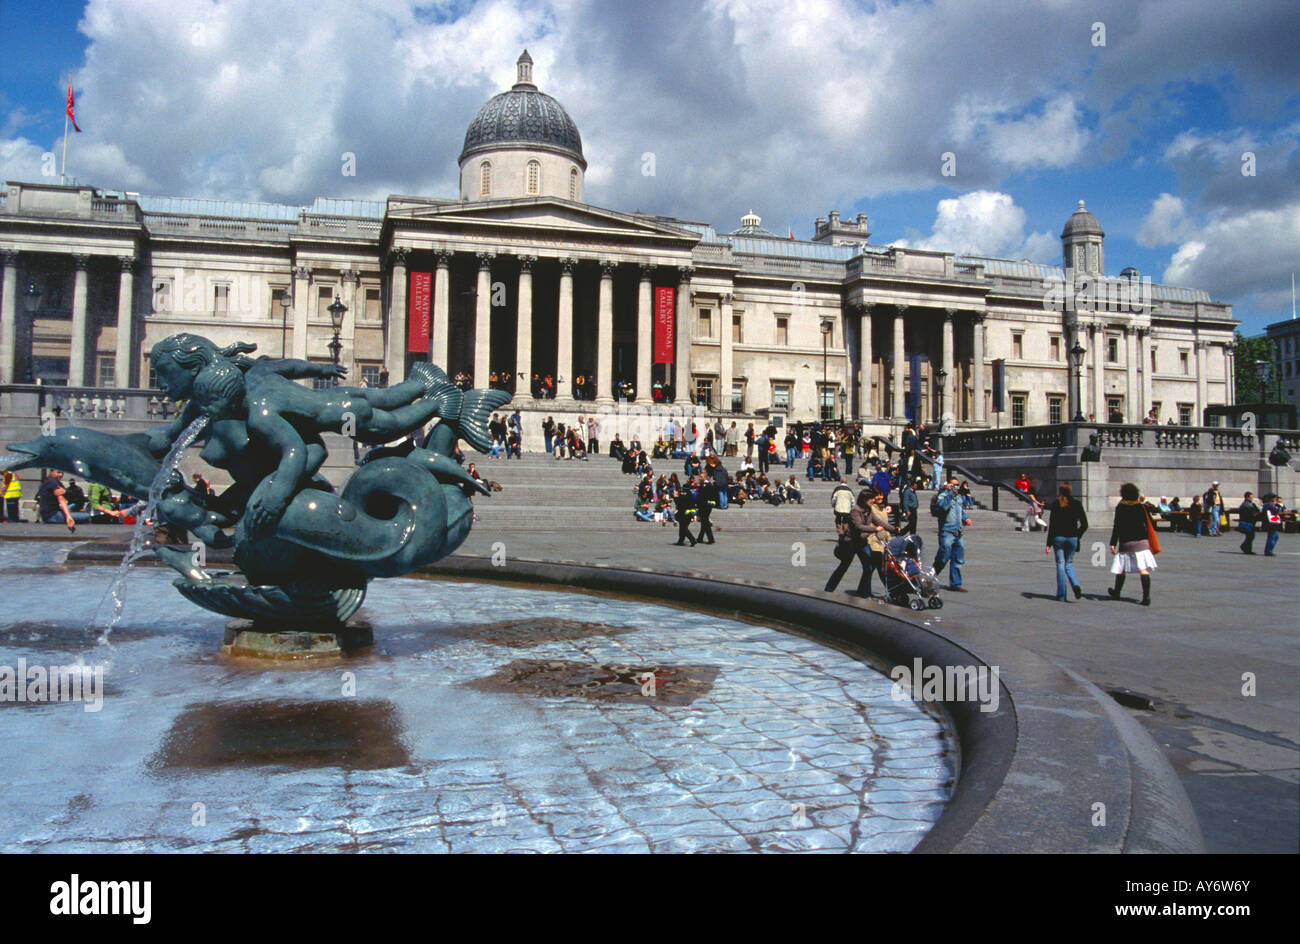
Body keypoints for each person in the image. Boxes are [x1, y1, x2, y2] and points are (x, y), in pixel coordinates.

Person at [1108, 482, 1157, 605]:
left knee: (1121, 568)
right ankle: (1146, 597)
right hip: (1142, 541)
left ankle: (1117, 592)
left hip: (1126, 541)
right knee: (1143, 569)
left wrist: (1113, 543)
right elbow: (1150, 522)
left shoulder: (1120, 507)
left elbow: (1117, 526)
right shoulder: (1141, 507)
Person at [1044, 483, 1088, 601]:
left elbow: (1052, 525)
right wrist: (1077, 535)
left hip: (1058, 538)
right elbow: (1085, 524)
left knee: (1060, 564)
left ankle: (1061, 595)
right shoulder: (1077, 504)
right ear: (1071, 491)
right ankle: (1075, 584)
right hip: (1072, 537)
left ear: (1060, 491)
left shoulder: (1056, 504)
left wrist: (1048, 543)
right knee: (1069, 563)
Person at [932, 474, 971, 592]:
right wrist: (949, 493)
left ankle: (955, 584)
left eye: (957, 485)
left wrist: (965, 518)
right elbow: (943, 507)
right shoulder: (943, 496)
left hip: (958, 531)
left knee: (958, 559)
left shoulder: (959, 498)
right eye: (953, 485)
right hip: (947, 531)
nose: (956, 487)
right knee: (943, 557)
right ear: (948, 485)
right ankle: (930, 576)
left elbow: (960, 511)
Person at [673, 480, 697, 546]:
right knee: (682, 527)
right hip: (690, 513)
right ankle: (681, 540)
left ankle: (692, 540)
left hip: (683, 513)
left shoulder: (683, 495)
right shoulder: (691, 495)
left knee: (684, 528)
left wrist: (675, 497)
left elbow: (679, 504)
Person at [695, 478, 717, 544]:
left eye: (701, 477)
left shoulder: (705, 485)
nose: (699, 478)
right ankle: (700, 538)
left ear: (704, 477)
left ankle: (711, 539)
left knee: (705, 522)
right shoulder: (709, 485)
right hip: (708, 504)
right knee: (703, 522)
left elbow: (701, 496)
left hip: (704, 505)